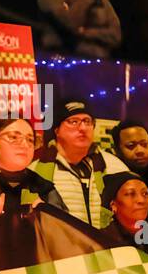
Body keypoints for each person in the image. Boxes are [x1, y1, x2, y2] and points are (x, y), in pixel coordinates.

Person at [31, 98, 130, 228]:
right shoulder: (36, 171)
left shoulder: (114, 167)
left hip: (109, 245)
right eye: (74, 122)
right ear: (57, 130)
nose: (83, 128)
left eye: (87, 121)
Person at [0, 117, 64, 213]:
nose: (25, 144)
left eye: (30, 140)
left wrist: (46, 216)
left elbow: (64, 226)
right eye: (13, 137)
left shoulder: (44, 189)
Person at [98, 171, 148, 259]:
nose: (141, 200)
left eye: (145, 193)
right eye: (130, 194)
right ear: (113, 205)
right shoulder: (105, 240)